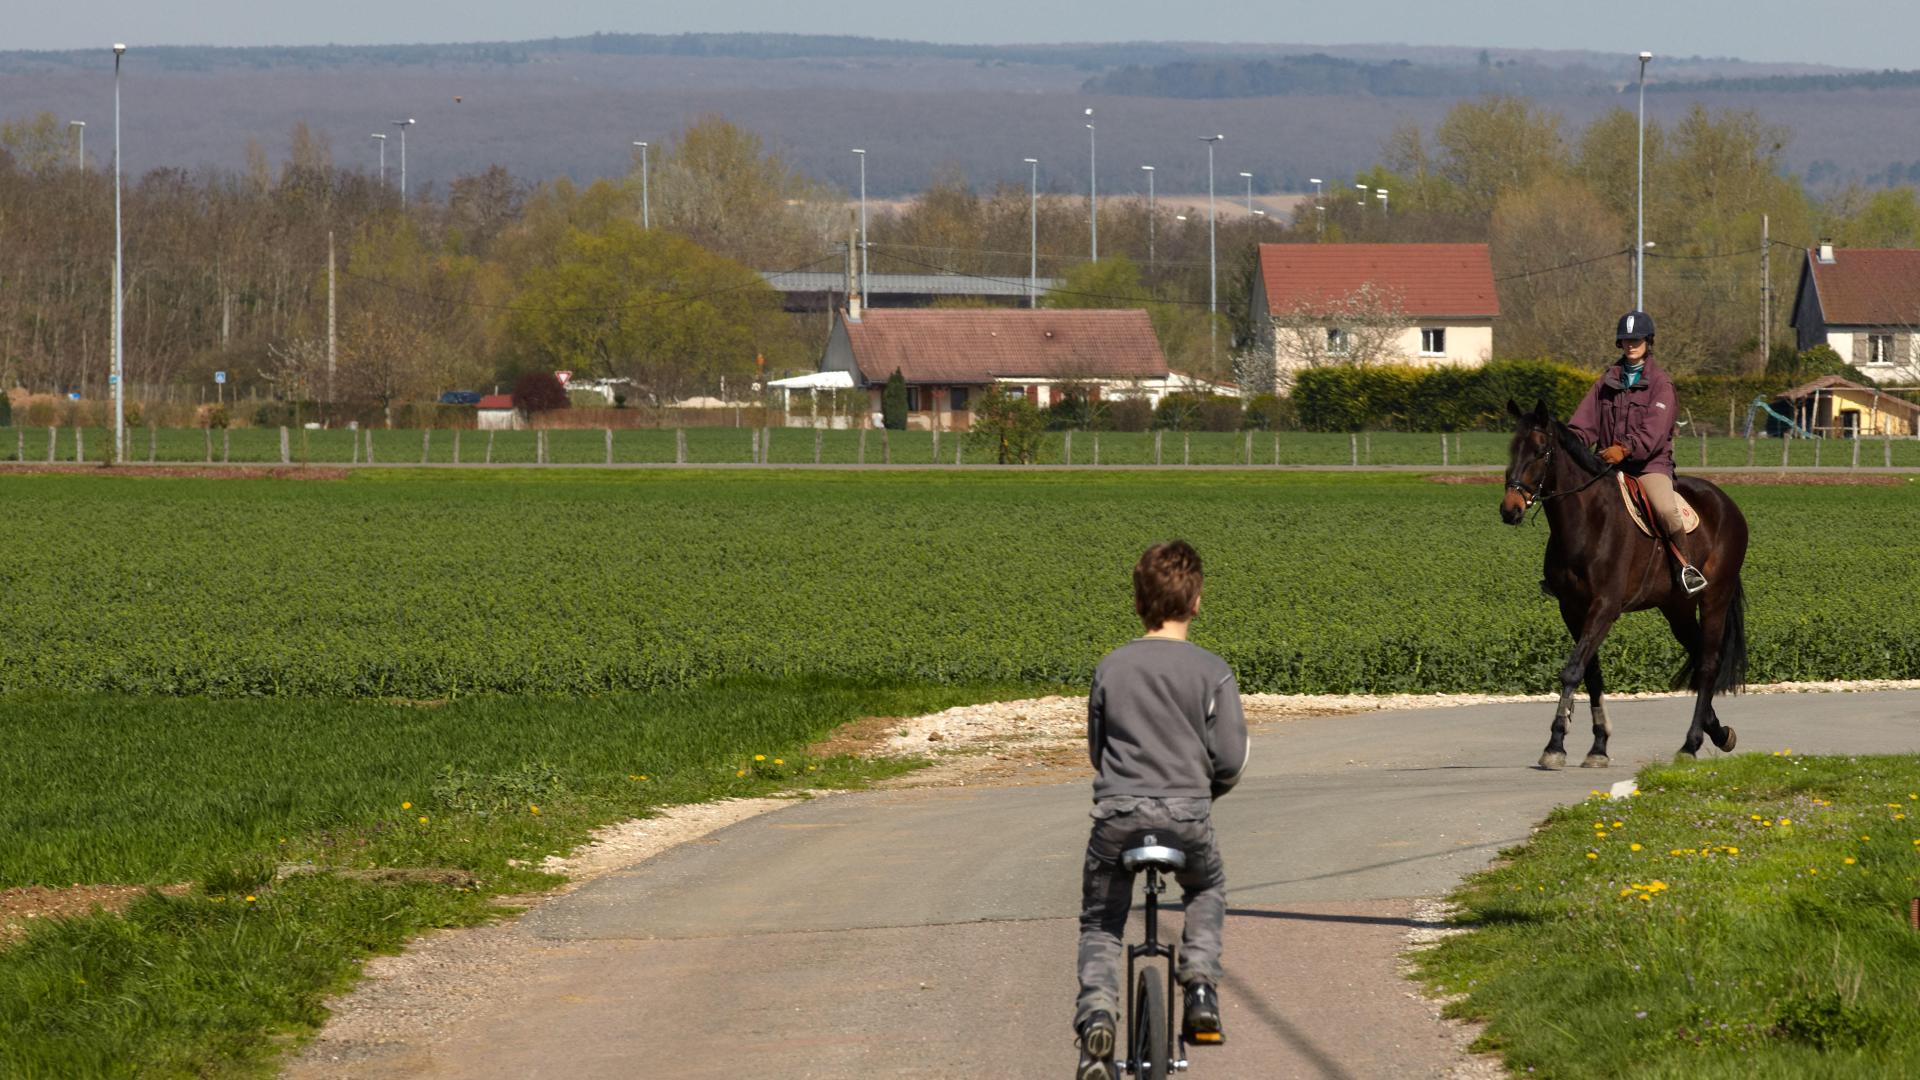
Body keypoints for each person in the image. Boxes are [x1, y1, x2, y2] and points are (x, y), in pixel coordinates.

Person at [1074, 540, 1249, 1080]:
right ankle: (1199, 988)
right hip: (1187, 814)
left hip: (1118, 815)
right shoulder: (1213, 671)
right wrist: (1202, 792)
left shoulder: (1111, 667)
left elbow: (1097, 749)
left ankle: (1097, 1017)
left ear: (1137, 603)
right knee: (1206, 888)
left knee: (1102, 922)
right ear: (1196, 602)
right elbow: (1231, 759)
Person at [1568, 310, 1708, 594]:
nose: (1631, 345)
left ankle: (1686, 569)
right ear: (1619, 343)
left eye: (1637, 340)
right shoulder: (1605, 382)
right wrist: (1569, 443)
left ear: (1648, 342)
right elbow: (1584, 423)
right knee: (1572, 503)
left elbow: (1654, 433)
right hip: (1607, 465)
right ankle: (1563, 571)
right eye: (1626, 340)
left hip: (1649, 466)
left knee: (1666, 510)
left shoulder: (1661, 384)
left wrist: (1625, 449)